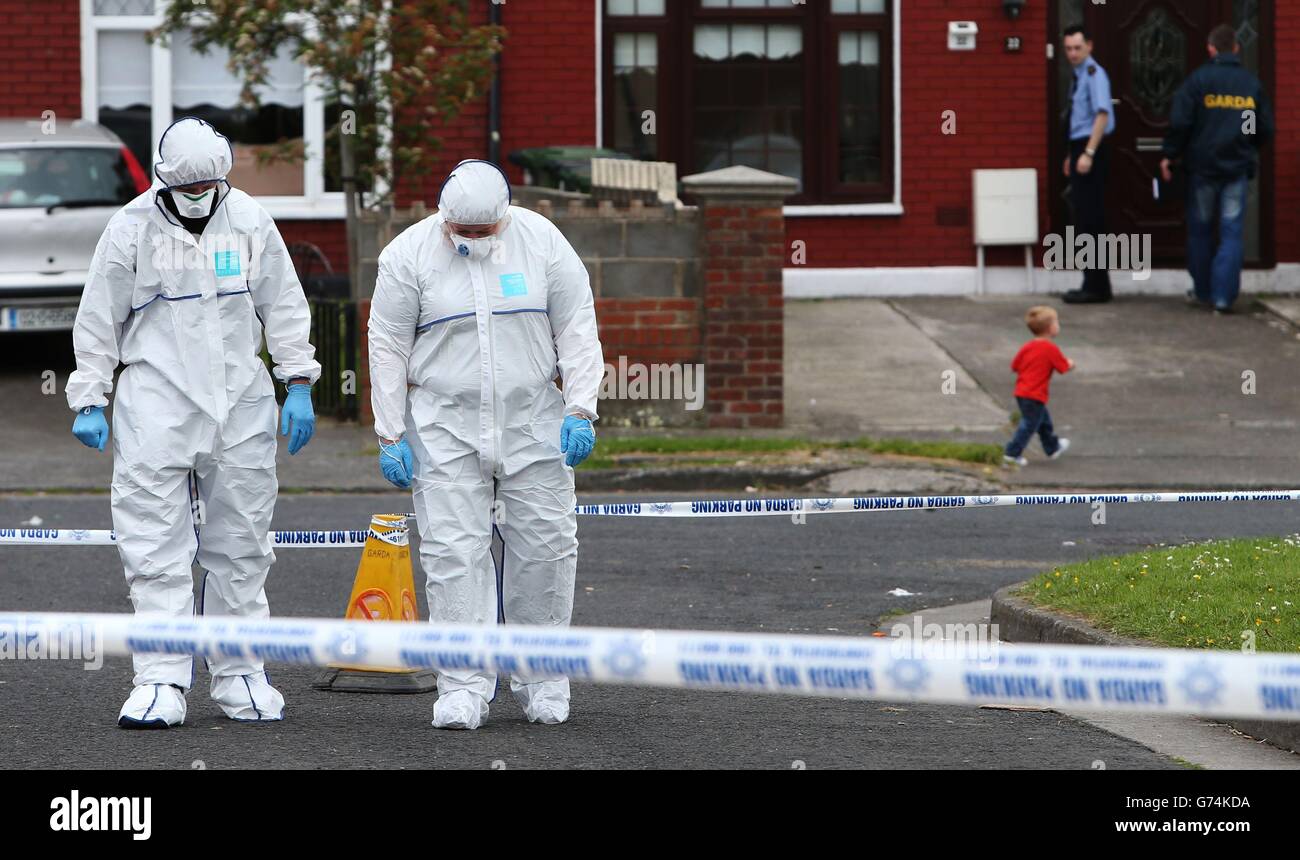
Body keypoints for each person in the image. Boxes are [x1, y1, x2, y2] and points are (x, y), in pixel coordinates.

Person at [66, 116, 320, 728]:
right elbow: (100, 316)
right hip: (157, 404)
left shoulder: (252, 221)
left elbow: (283, 303)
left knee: (243, 546)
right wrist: (89, 396)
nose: (200, 196)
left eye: (209, 185)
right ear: (164, 181)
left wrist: (300, 382)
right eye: (188, 188)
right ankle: (160, 680)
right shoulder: (129, 228)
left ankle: (241, 673)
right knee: (154, 545)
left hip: (240, 407)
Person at [368, 159, 602, 730]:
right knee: (452, 555)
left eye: (482, 232)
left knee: (546, 550)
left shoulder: (543, 241)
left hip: (532, 424)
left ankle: (542, 676)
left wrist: (580, 407)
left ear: (505, 216)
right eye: (460, 232)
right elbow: (388, 346)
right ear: (443, 216)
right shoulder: (407, 255)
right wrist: (390, 430)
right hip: (445, 427)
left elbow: (577, 326)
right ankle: (462, 685)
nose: (470, 241)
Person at [1161, 24, 1273, 314]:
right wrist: (1245, 145)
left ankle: (1203, 292)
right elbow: (1256, 126)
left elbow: (1182, 122)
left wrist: (1171, 154)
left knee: (1199, 232)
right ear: (1236, 48)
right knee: (1232, 233)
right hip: (1235, 168)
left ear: (1211, 49)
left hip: (1202, 169)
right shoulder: (1249, 85)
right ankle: (1224, 298)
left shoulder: (1199, 81)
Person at [1061, 25, 1116, 305]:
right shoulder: (1079, 75)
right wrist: (1074, 154)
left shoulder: (1095, 74)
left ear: (1089, 46)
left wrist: (1089, 153)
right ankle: (1092, 282)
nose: (1072, 53)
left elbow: (1102, 116)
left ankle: (1096, 287)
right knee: (1084, 219)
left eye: (1077, 48)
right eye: (1068, 48)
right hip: (1081, 146)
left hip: (1091, 148)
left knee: (1091, 220)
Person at [1004, 306, 1074, 466]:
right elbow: (1063, 367)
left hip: (1022, 391)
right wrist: (1071, 363)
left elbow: (1015, 365)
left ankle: (1053, 447)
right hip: (1034, 394)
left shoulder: (1027, 346)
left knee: (1043, 421)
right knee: (1029, 424)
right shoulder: (1050, 348)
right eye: (1057, 322)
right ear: (1050, 328)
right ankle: (1011, 454)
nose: (1058, 325)